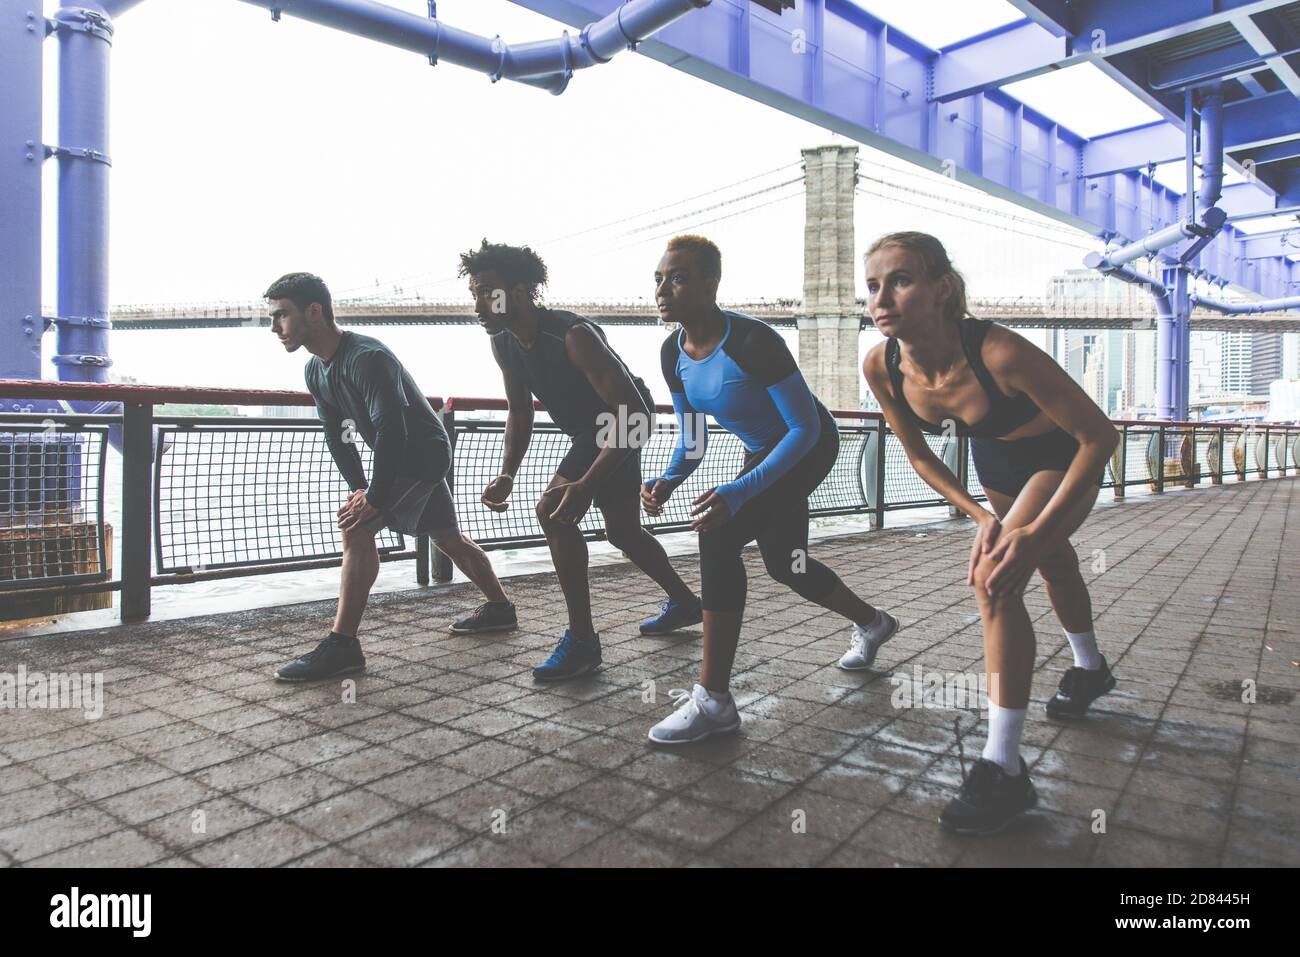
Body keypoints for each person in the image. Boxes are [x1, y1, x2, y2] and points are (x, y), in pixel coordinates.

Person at [861, 232, 1118, 835]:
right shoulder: (883, 366)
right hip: (996, 469)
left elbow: (1100, 437)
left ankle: (1002, 766)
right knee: (1055, 566)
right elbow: (920, 455)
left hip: (1059, 455)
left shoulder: (1000, 352)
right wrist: (980, 515)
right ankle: (1090, 668)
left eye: (900, 280)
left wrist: (1026, 535)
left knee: (996, 579)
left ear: (941, 288)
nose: (882, 296)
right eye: (873, 285)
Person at [643, 235, 900, 744]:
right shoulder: (672, 352)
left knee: (717, 534)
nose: (662, 290)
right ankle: (873, 624)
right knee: (787, 564)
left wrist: (739, 492)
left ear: (711, 283)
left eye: (677, 278)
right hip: (763, 453)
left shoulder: (753, 341)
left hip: (809, 443)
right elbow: (692, 441)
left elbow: (803, 428)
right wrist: (667, 480)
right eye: (658, 279)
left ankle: (714, 700)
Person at [460, 241, 703, 682]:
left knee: (553, 513)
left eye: (486, 290)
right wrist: (507, 472)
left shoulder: (573, 335)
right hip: (592, 430)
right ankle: (685, 602)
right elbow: (520, 410)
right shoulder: (504, 342)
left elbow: (635, 417)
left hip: (622, 420)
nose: (476, 302)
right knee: (624, 532)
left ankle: (583, 642)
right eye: (473, 291)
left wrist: (587, 483)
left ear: (519, 292)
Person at [266, 272, 516, 682]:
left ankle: (343, 645)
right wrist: (360, 488)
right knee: (448, 538)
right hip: (405, 458)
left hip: (421, 456)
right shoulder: (316, 370)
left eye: (281, 316)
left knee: (356, 528)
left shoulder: (368, 357)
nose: (275, 327)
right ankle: (500, 608)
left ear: (314, 312)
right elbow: (338, 437)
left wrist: (375, 499)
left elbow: (391, 430)